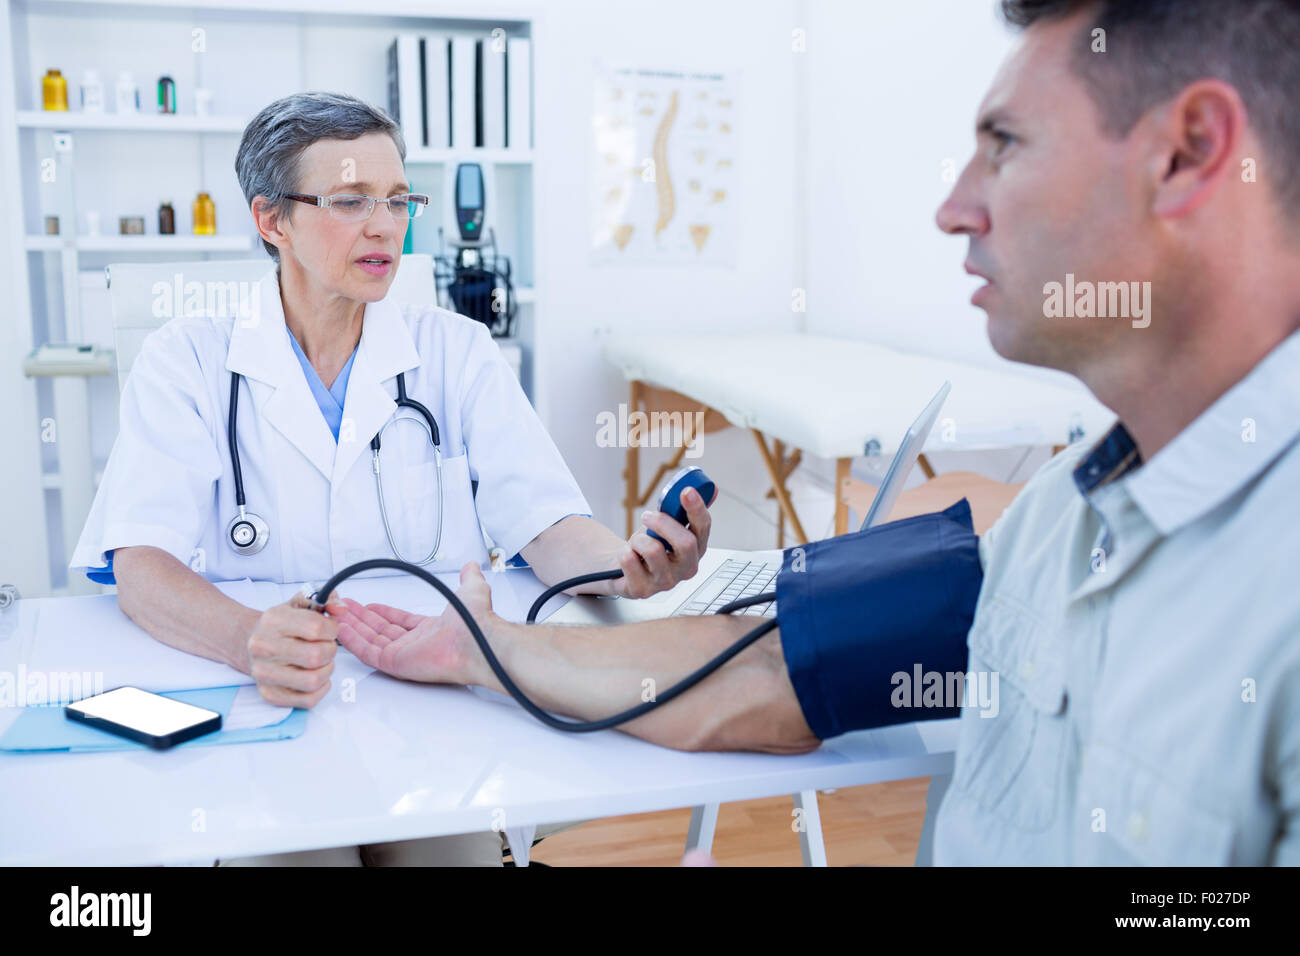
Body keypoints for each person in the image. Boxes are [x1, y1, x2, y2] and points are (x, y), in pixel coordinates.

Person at [330, 0, 1300, 865]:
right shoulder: (1053, 522)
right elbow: (762, 668)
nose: (952, 207)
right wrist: (479, 650)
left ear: (1187, 153)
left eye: (1004, 143)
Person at [70, 92, 715, 866]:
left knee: (450, 855)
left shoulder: (458, 352)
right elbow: (141, 565)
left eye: (399, 200)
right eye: (351, 201)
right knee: (297, 856)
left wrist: (623, 566)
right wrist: (247, 640)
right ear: (272, 220)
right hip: (268, 702)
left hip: (432, 704)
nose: (386, 226)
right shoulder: (188, 360)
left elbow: (545, 525)